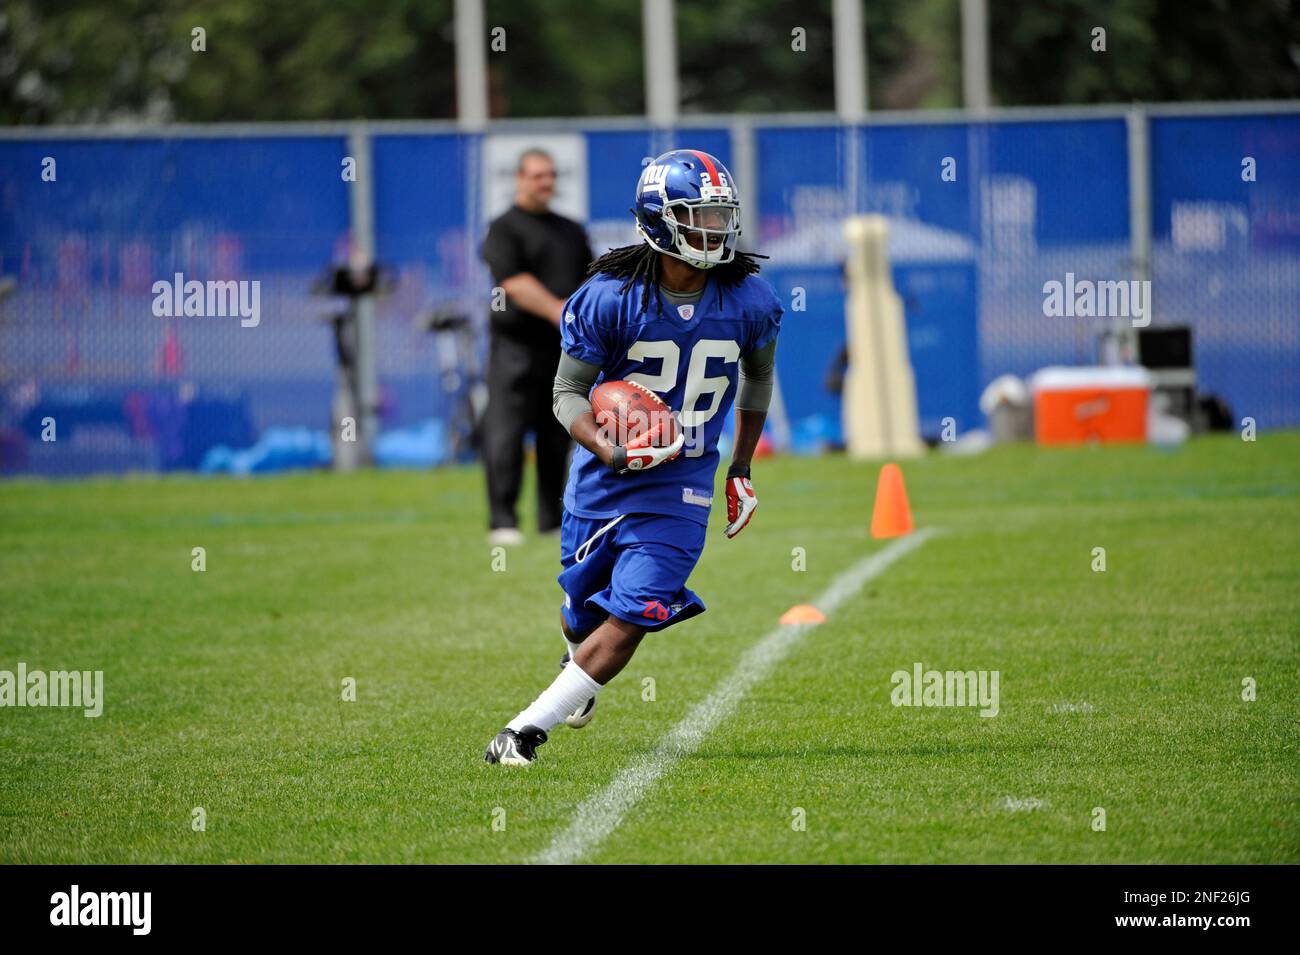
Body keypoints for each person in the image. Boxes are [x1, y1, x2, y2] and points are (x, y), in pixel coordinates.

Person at [485, 148, 783, 765]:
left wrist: (743, 466)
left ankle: (522, 733)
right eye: (699, 216)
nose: (715, 229)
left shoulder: (749, 298)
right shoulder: (609, 296)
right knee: (581, 615)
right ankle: (575, 666)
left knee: (637, 609)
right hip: (601, 480)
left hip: (685, 482)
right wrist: (607, 445)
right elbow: (566, 393)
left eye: (720, 215)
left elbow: (756, 381)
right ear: (661, 220)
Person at [479, 149, 593, 545]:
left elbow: (589, 280)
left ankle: (550, 521)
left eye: (550, 175)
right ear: (520, 178)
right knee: (505, 434)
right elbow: (513, 282)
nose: (545, 182)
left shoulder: (570, 229)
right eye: (537, 176)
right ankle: (503, 521)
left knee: (557, 433)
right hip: (514, 349)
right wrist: (560, 311)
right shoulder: (504, 228)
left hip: (561, 350)